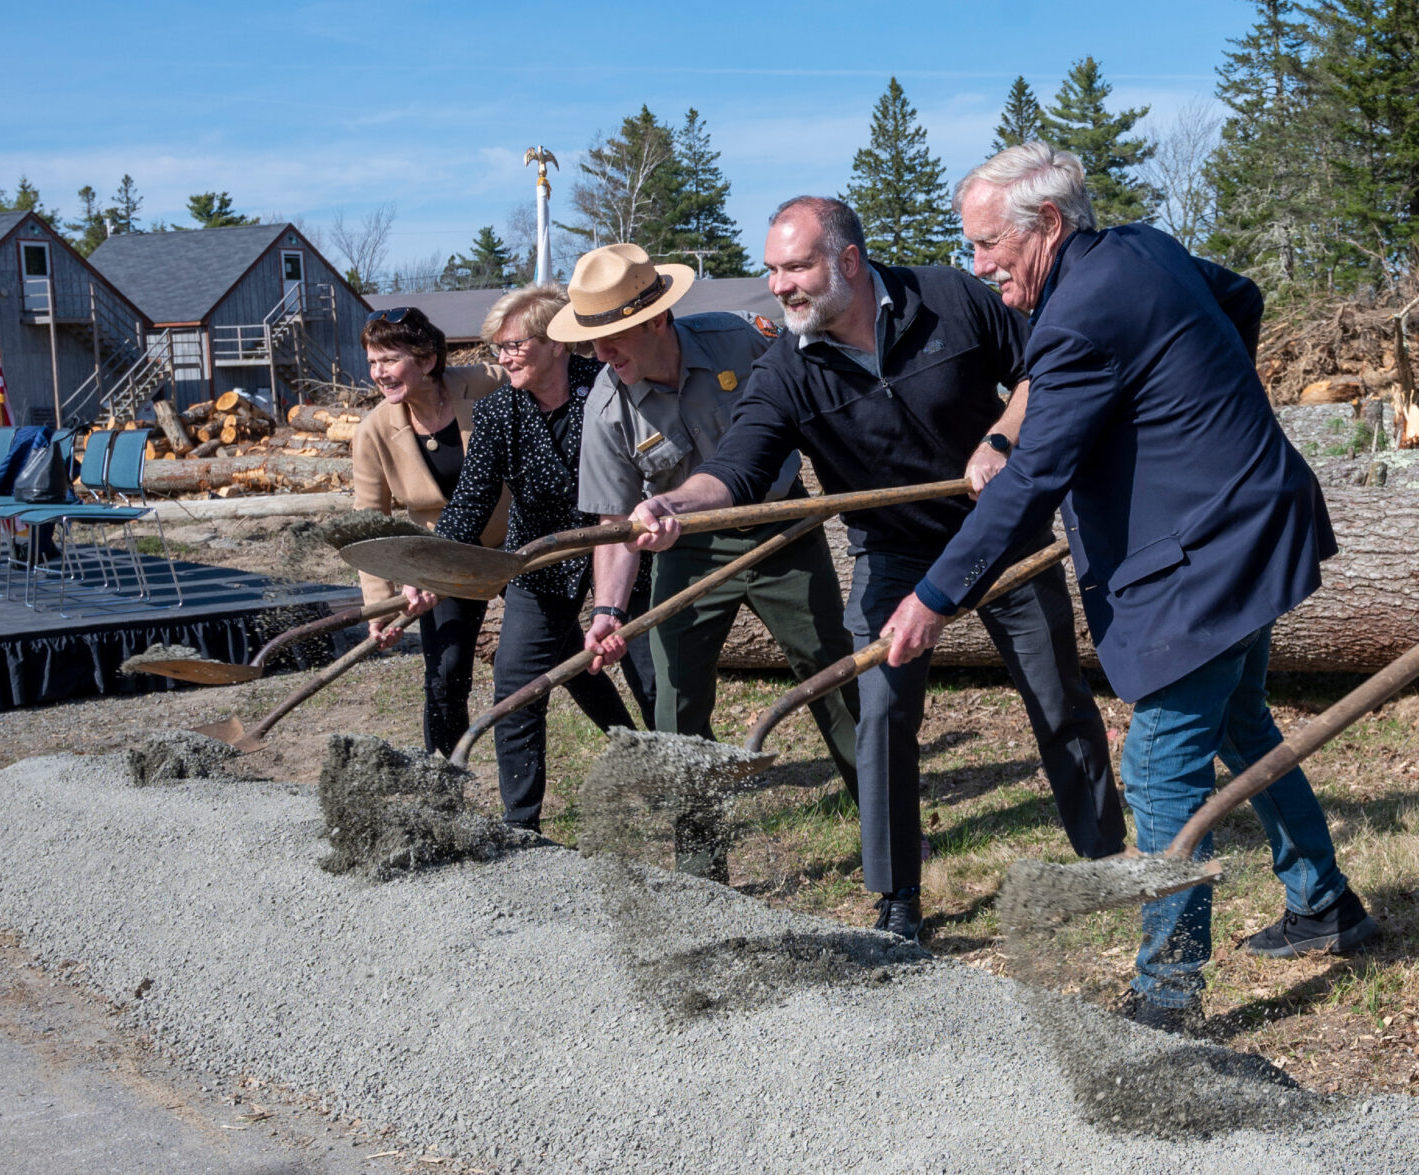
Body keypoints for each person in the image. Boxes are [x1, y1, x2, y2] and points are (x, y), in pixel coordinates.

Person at [883, 141, 1379, 1031]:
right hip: (1254, 519)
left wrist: (933, 597)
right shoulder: (1143, 247)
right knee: (1241, 723)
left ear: (1051, 225)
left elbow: (1034, 479)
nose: (979, 265)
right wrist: (1197, 409)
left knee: (1157, 765)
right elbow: (1241, 299)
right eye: (972, 246)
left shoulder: (1077, 317)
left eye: (990, 244)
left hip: (1212, 556)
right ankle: (1325, 903)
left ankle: (1167, 993)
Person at [623, 197, 1124, 942]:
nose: (781, 285)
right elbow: (737, 466)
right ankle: (897, 900)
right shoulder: (786, 369)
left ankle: (1104, 858)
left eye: (796, 266)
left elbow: (1037, 366)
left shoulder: (948, 296)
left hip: (1000, 531)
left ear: (848, 262)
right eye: (772, 270)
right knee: (882, 710)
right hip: (894, 551)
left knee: (1057, 697)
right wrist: (677, 505)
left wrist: (1000, 439)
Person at [548, 243, 860, 883]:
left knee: (833, 677)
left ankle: (887, 824)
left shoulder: (741, 341)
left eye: (612, 338)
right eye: (591, 342)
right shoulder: (606, 408)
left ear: (656, 318)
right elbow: (613, 526)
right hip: (685, 550)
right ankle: (700, 870)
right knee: (677, 702)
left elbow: (817, 398)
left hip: (782, 531)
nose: (601, 356)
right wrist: (608, 611)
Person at [404, 285, 651, 833]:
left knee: (655, 679)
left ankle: (672, 781)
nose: (504, 357)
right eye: (498, 347)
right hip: (541, 562)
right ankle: (523, 827)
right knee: (516, 691)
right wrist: (431, 569)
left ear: (557, 343)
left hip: (625, 553)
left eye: (515, 345)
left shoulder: (609, 389)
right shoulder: (498, 412)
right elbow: (470, 501)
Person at [351, 307, 510, 758]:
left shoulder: (482, 384)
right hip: (442, 563)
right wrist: (378, 606)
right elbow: (370, 522)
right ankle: (444, 774)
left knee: (552, 658)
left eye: (389, 360)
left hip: (512, 544)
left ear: (426, 359)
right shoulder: (374, 432)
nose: (379, 374)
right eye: (373, 363)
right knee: (446, 671)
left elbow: (533, 372)